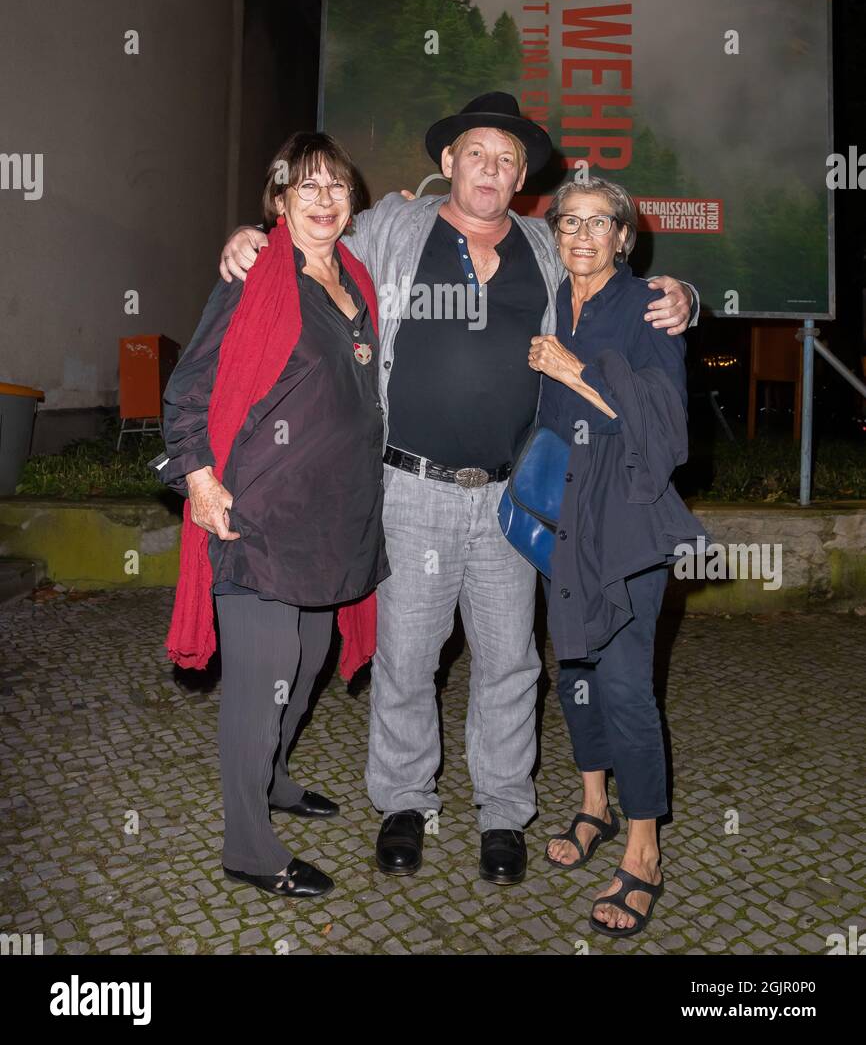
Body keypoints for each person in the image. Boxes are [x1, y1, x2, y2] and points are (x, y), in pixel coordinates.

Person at [219, 92, 697, 886]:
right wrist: (250, 239)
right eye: (478, 153)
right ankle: (404, 803)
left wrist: (683, 296)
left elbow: (610, 286)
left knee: (511, 660)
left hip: (510, 496)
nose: (492, 169)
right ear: (448, 163)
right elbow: (312, 235)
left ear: (522, 180)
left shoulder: (547, 247)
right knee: (408, 658)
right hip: (410, 487)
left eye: (508, 160)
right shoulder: (395, 229)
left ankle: (504, 811)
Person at [153, 132, 388, 899]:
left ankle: (277, 779)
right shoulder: (254, 273)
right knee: (263, 676)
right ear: (279, 202)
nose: (324, 200)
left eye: (337, 187)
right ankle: (249, 846)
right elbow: (188, 388)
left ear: (352, 202)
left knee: (310, 658)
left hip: (332, 515)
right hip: (255, 512)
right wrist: (199, 478)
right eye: (306, 188)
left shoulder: (355, 274)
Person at [528, 175, 705, 938]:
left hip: (626, 517)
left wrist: (574, 371)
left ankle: (644, 850)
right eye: (571, 222)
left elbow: (665, 435)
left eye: (601, 224)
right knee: (574, 669)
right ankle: (594, 804)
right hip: (562, 512)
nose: (583, 236)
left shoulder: (647, 308)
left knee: (627, 683)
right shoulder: (550, 295)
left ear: (624, 238)